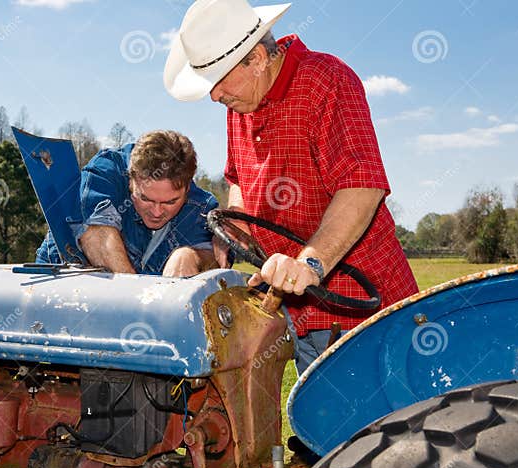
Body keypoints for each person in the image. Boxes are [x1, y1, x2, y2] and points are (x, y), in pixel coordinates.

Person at [164, 0, 419, 374]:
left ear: (257, 58)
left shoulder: (326, 80)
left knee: (375, 425)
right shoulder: (241, 106)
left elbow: (361, 186)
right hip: (293, 304)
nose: (214, 96)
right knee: (318, 421)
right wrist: (237, 232)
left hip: (357, 306)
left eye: (218, 80)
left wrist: (310, 264)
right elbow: (239, 179)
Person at [36, 130, 218, 277]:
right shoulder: (106, 171)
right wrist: (134, 303)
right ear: (130, 178)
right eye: (145, 198)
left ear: (187, 189)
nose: (156, 212)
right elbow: (97, 235)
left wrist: (192, 256)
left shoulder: (201, 208)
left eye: (170, 202)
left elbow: (216, 261)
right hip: (59, 282)